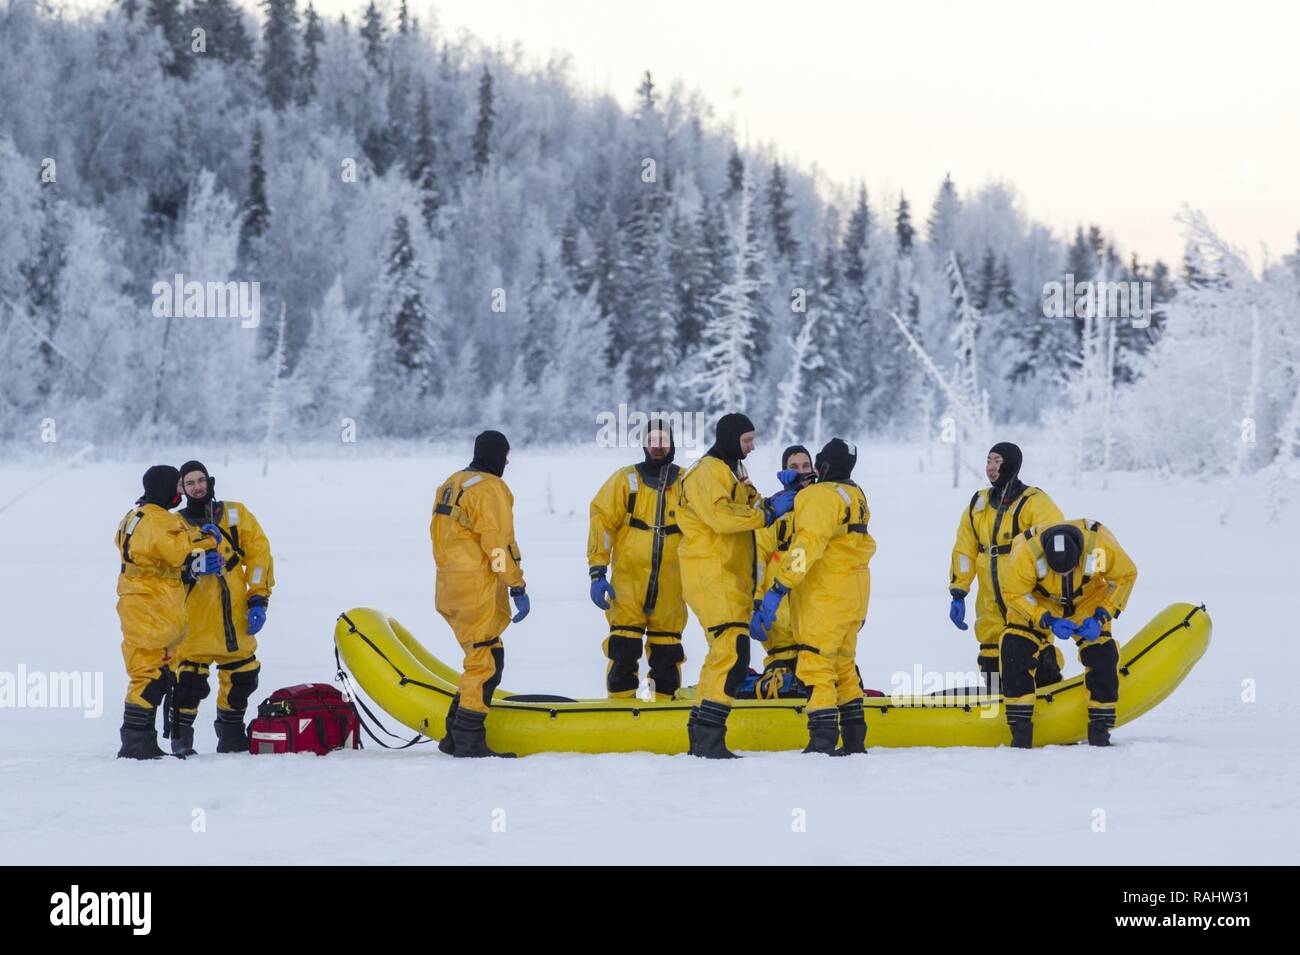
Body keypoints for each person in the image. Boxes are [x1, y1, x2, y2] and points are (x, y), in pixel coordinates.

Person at [678, 413, 795, 758]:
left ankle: (701, 737)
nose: (752, 446)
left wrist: (782, 496)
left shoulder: (734, 471)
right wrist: (768, 513)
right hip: (710, 574)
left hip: (729, 578)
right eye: (747, 440)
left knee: (723, 654)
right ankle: (710, 739)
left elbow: (753, 505)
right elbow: (722, 517)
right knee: (732, 655)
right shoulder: (706, 472)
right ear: (730, 438)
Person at [751, 439, 875, 754]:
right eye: (796, 466)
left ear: (824, 467)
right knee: (843, 665)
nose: (808, 471)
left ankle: (821, 739)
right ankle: (854, 738)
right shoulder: (853, 493)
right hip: (854, 593)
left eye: (812, 464)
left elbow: (806, 547)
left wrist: (779, 587)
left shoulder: (819, 498)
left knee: (816, 664)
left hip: (825, 595)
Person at [430, 430, 530, 757]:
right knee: (484, 661)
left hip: (449, 586)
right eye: (505, 454)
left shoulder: (451, 483)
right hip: (476, 587)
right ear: (495, 455)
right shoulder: (489, 489)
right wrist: (516, 583)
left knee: (484, 657)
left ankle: (454, 735)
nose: (507, 461)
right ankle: (469, 739)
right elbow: (498, 544)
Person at [999, 519, 1139, 747]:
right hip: (1041, 601)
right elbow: (1015, 593)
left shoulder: (1099, 546)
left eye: (1069, 570)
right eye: (1058, 570)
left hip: (1087, 601)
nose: (1064, 574)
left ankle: (1100, 731)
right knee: (1015, 647)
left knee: (1102, 654)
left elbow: (1124, 577)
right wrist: (1045, 618)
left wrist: (1102, 615)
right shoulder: (1027, 552)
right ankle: (1021, 731)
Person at [167, 461, 275, 756]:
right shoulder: (174, 524)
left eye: (201, 480)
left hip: (234, 618)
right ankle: (181, 738)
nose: (198, 487)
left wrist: (258, 598)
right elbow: (163, 569)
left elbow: (259, 556)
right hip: (194, 622)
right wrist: (191, 567)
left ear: (209, 481)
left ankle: (230, 734)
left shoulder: (236, 514)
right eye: (190, 483)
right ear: (182, 489)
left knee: (243, 677)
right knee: (187, 683)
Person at [113, 465, 218, 759]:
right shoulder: (159, 520)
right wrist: (209, 539)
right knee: (150, 674)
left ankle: (142, 740)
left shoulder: (134, 516)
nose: (181, 493)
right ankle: (136, 744)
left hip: (139, 600)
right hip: (150, 603)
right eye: (177, 487)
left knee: (152, 671)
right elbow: (179, 552)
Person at [948, 442, 1064, 690]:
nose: (990, 467)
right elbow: (964, 549)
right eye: (988, 460)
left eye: (997, 461)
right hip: (989, 597)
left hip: (1025, 594)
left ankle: (1052, 696)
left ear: (1012, 464)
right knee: (990, 652)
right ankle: (996, 700)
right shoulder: (977, 503)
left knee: (1037, 648)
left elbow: (1054, 543)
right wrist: (959, 590)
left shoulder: (1035, 501)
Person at [586, 418, 686, 699]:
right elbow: (602, 525)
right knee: (624, 650)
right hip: (628, 584)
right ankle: (621, 705)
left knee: (666, 654)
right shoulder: (626, 480)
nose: (657, 446)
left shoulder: (687, 482)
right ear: (644, 443)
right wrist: (597, 572)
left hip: (672, 586)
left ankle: (659, 704)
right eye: (652, 440)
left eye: (663, 439)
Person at [743, 444, 816, 700]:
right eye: (794, 467)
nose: (801, 472)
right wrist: (756, 602)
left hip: (818, 627)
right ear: (784, 470)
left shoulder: (823, 507)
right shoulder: (772, 511)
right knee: (785, 687)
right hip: (779, 628)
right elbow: (756, 559)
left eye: (806, 466)